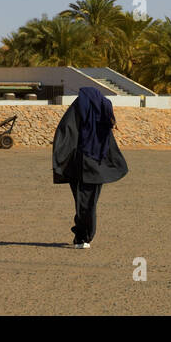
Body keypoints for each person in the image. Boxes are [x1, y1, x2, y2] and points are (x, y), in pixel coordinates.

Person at [52, 86, 128, 248]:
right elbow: (109, 142)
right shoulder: (104, 110)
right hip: (98, 166)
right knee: (89, 202)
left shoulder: (79, 108)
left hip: (81, 164)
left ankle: (83, 236)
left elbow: (66, 131)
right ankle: (84, 234)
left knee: (83, 202)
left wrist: (60, 159)